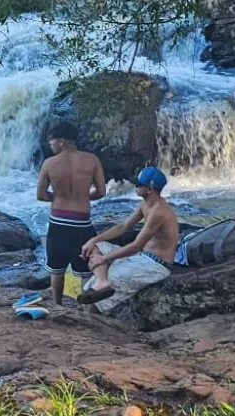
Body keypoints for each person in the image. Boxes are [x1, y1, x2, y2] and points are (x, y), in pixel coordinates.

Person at [78, 167, 179, 312]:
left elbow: (136, 245)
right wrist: (93, 240)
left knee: (109, 280)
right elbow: (123, 226)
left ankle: (93, 319)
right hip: (141, 256)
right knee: (97, 247)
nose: (135, 186)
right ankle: (101, 282)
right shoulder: (145, 204)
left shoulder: (159, 212)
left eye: (139, 184)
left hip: (156, 265)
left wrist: (105, 258)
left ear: (150, 189)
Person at [36, 121, 107, 305]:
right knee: (85, 270)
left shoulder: (49, 164)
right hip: (82, 224)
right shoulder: (92, 160)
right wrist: (82, 196)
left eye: (51, 142)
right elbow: (101, 191)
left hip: (58, 223)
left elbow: (41, 195)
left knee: (57, 269)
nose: (50, 145)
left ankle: (57, 306)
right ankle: (87, 312)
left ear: (61, 141)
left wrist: (58, 197)